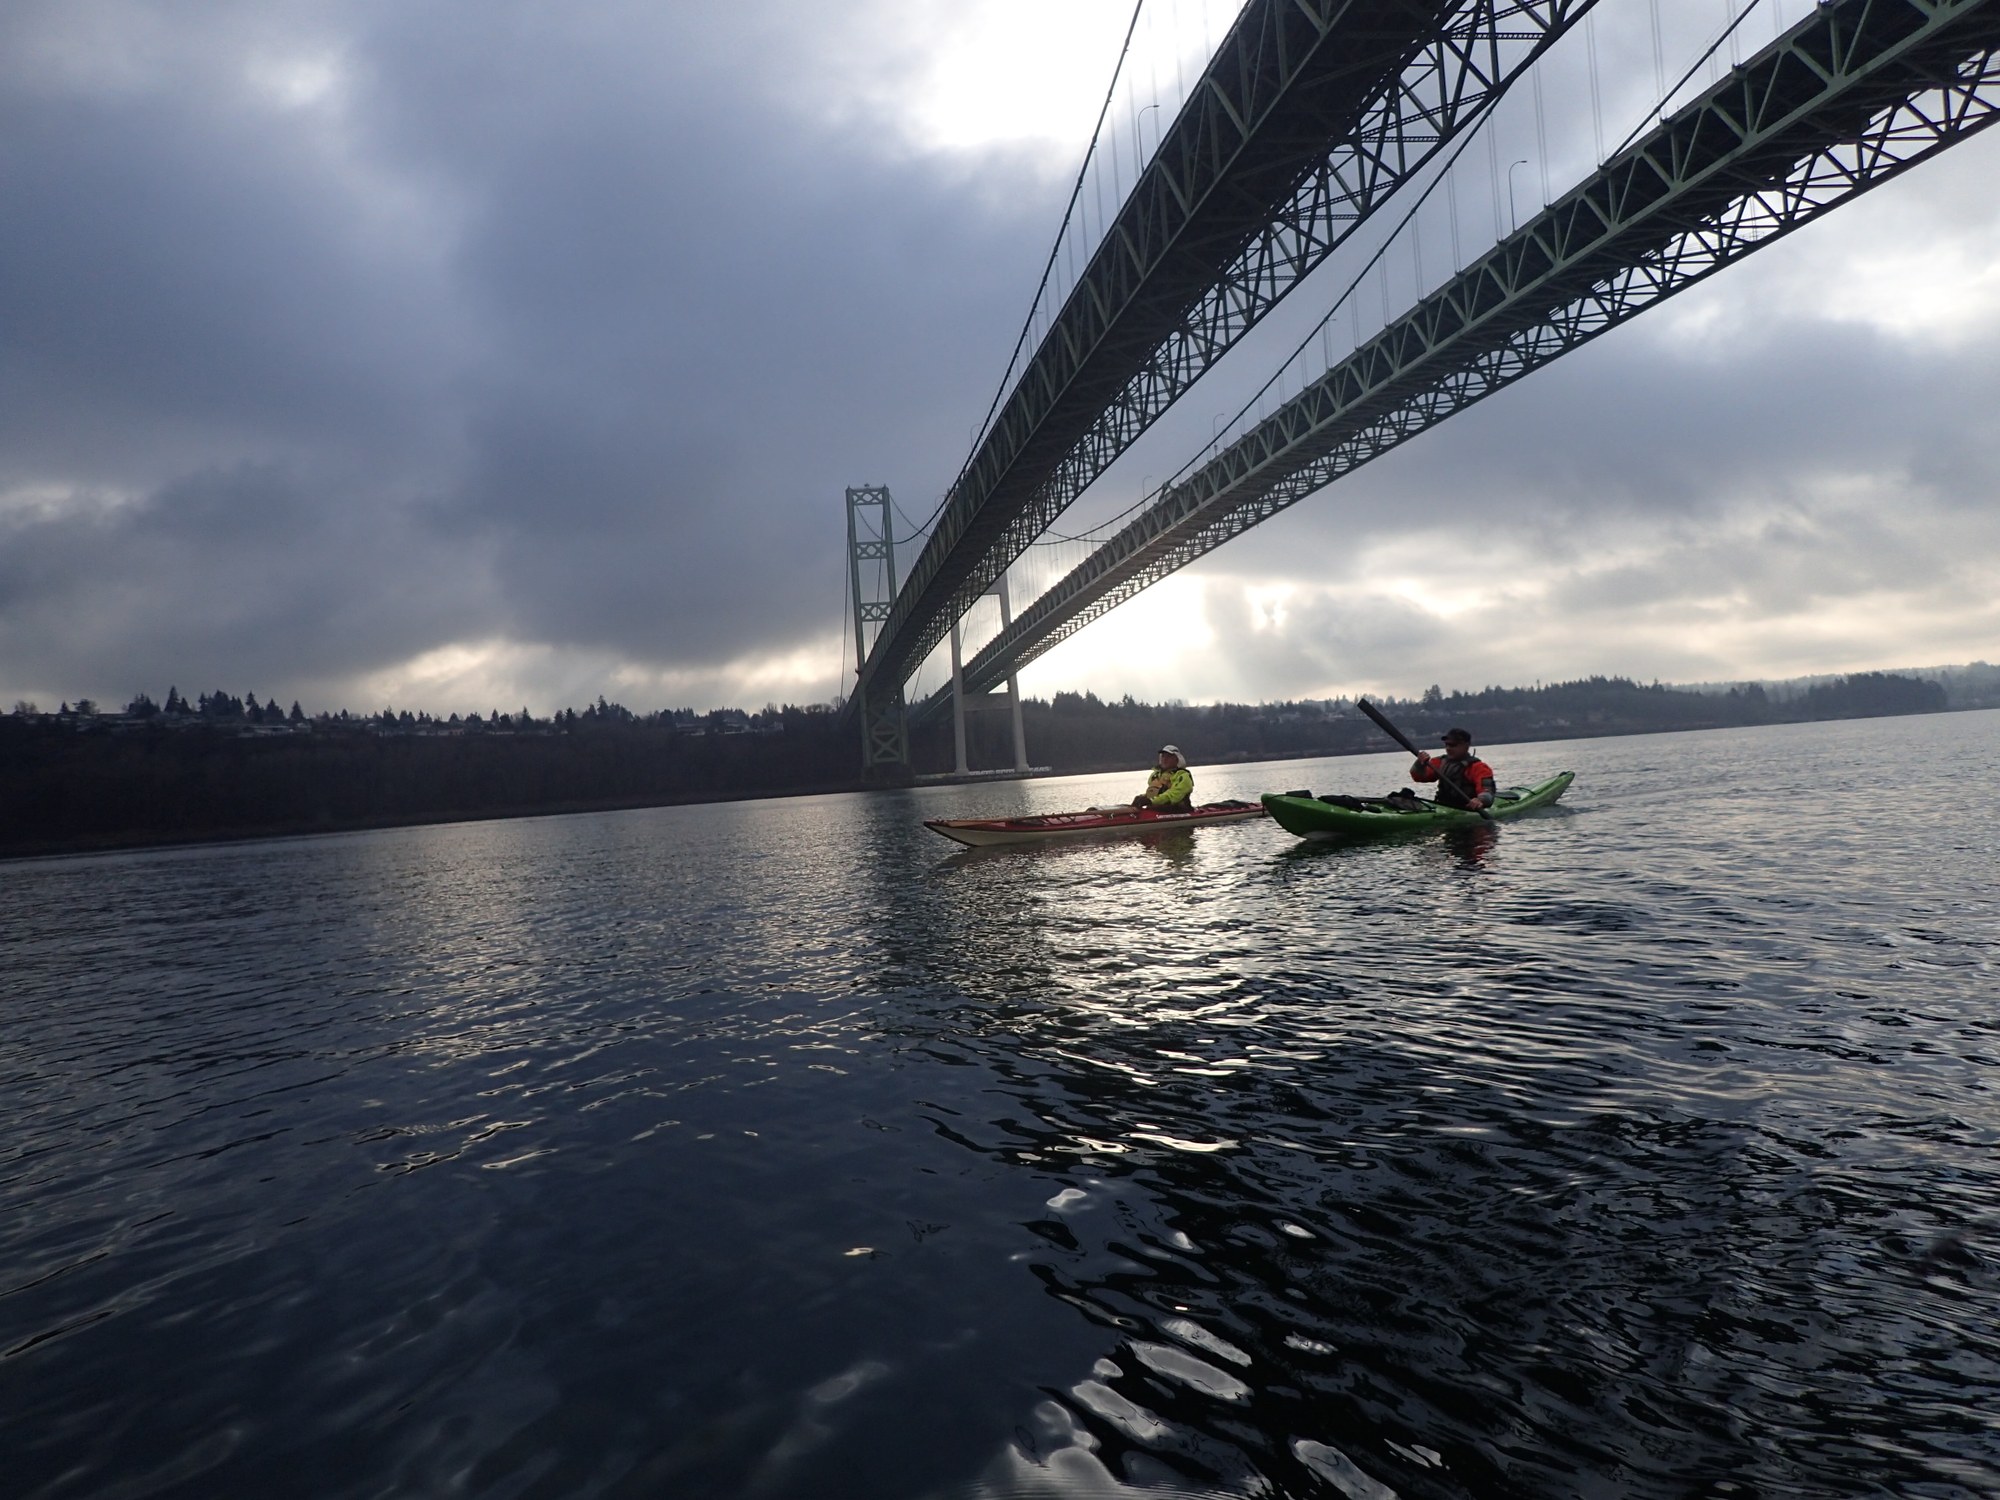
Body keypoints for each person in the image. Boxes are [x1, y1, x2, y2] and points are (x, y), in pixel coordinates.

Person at [1409, 727, 1495, 811]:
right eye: (1447, 745)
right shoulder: (1439, 762)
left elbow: (1487, 791)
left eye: (1453, 745)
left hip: (1467, 808)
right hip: (1443, 806)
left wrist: (1480, 800)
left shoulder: (1478, 767)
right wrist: (1419, 763)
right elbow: (1419, 777)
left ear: (1466, 745)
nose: (1448, 748)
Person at [1131, 745, 1194, 811]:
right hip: (1156, 809)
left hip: (1178, 810)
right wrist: (1142, 798)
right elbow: (1154, 793)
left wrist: (1151, 801)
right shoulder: (1156, 775)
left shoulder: (1183, 776)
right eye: (1163, 756)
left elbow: (1174, 795)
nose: (1164, 759)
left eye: (1169, 757)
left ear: (1177, 759)